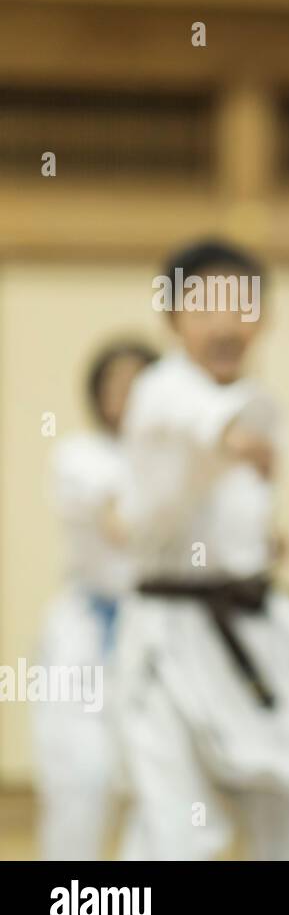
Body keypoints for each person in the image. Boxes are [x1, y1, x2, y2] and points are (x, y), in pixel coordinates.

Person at [115, 238, 289, 860]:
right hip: (169, 632)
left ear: (263, 317)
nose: (224, 321)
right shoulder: (161, 389)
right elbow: (195, 419)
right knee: (175, 827)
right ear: (172, 317)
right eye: (204, 305)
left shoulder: (262, 401)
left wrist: (259, 544)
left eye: (240, 304)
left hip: (253, 625)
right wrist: (228, 435)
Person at [31, 339, 156, 860]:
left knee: (159, 778)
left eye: (140, 386)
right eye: (116, 387)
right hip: (87, 630)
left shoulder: (176, 463)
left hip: (157, 631)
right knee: (81, 776)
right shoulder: (79, 455)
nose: (127, 398)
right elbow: (118, 523)